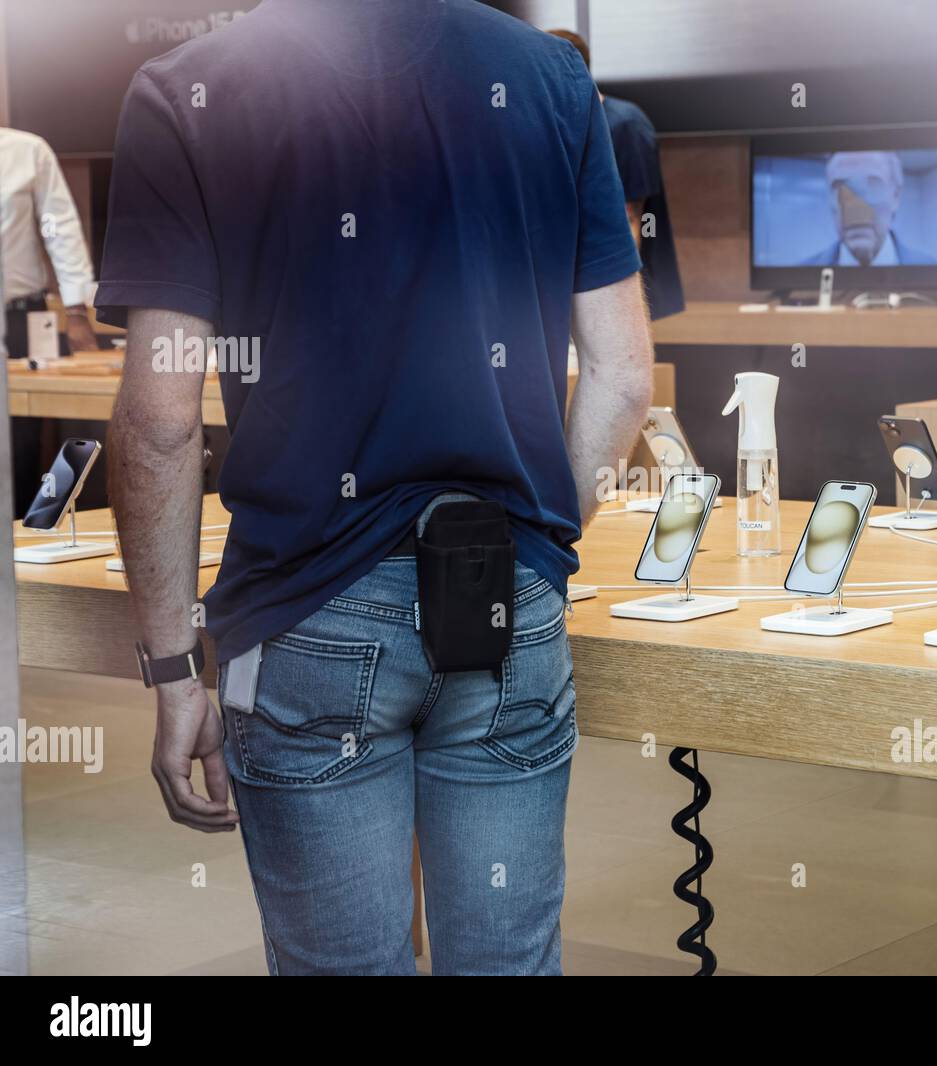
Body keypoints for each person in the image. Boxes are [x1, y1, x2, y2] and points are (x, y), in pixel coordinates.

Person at [97, 0, 653, 976]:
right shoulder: (548, 77)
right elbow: (623, 379)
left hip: (308, 610)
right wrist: (534, 547)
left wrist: (171, 667)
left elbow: (159, 419)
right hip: (506, 601)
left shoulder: (190, 91)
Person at [548, 29, 684, 321]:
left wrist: (611, 304)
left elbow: (632, 220)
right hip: (580, 285)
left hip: (623, 288)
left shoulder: (625, 125)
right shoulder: (563, 125)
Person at [2, 125, 99, 512]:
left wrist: (76, 310)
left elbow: (60, 229)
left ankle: (19, 556)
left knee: (20, 446)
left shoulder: (27, 150)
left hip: (19, 319)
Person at [802, 151, 936, 267]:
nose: (856, 206)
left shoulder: (934, 272)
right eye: (840, 187)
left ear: (895, 196)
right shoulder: (802, 276)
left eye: (873, 185)